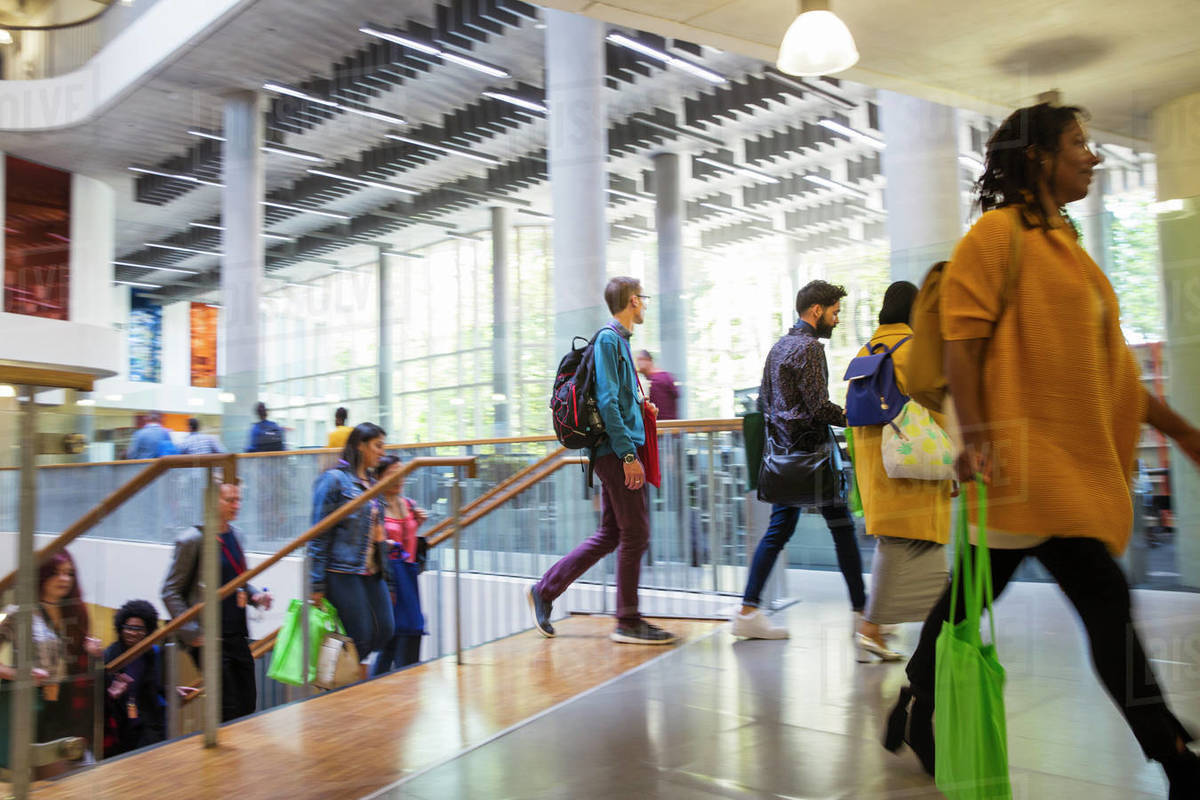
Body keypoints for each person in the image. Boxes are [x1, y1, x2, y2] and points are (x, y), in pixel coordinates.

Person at [884, 103, 1200, 796]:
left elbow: (1108, 368)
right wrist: (977, 444)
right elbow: (963, 349)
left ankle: (915, 696)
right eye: (1079, 144)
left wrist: (1176, 428)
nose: (1092, 156)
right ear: (1039, 159)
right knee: (1098, 602)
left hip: (1064, 470)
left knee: (975, 605)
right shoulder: (996, 238)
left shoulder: (1067, 247)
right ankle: (1175, 758)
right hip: (1018, 470)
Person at [527, 277, 676, 645]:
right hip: (615, 452)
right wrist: (628, 455)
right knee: (636, 533)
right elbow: (608, 402)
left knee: (612, 533)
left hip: (615, 449)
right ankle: (627, 619)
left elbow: (618, 399)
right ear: (631, 301)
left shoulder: (620, 341)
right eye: (642, 298)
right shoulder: (610, 339)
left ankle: (545, 590)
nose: (645, 304)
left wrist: (641, 407)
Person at [731, 279, 867, 639]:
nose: (837, 320)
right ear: (816, 310)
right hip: (812, 457)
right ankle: (862, 614)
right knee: (842, 530)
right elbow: (819, 406)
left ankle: (747, 611)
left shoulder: (778, 348)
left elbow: (764, 402)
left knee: (778, 532)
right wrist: (854, 417)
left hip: (783, 459)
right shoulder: (809, 348)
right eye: (835, 313)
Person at [848, 281, 951, 662]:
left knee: (914, 543)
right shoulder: (915, 351)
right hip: (912, 464)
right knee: (901, 541)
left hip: (878, 466)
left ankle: (936, 628)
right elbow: (940, 408)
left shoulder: (866, 350)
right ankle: (872, 629)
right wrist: (953, 460)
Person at [161, 482, 273, 722]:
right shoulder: (192, 540)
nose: (237, 505)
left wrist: (255, 595)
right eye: (230, 500)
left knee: (247, 703)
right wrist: (192, 633)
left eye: (238, 500)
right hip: (208, 638)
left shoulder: (236, 535)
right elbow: (170, 591)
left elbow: (237, 579)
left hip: (236, 634)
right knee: (228, 706)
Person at [0, 550, 103, 768]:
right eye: (56, 573)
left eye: (69, 573)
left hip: (71, 705)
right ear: (42, 575)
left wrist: (90, 650)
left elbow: (75, 660)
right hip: (34, 705)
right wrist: (17, 673)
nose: (64, 579)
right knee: (50, 773)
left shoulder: (75, 612)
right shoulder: (18, 613)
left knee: (81, 770)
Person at [309, 423, 395, 670]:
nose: (382, 452)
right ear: (360, 445)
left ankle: (340, 675)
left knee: (385, 629)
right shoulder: (334, 480)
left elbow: (378, 531)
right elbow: (318, 532)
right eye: (377, 446)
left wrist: (386, 575)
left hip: (371, 569)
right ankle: (338, 683)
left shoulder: (373, 484)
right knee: (361, 634)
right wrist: (316, 583)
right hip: (342, 570)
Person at [371, 454, 430, 675]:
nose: (398, 479)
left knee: (396, 639)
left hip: (409, 575)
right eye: (391, 474)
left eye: (401, 473)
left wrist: (418, 523)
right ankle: (399, 684)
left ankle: (378, 688)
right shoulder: (374, 507)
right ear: (378, 478)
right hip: (390, 579)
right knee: (403, 632)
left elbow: (410, 536)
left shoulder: (408, 504)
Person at [102, 600, 166, 756]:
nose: (132, 633)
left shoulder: (154, 654)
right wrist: (112, 693)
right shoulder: (111, 656)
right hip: (120, 725)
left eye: (139, 629)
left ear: (148, 631)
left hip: (147, 724)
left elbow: (158, 687)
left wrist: (174, 690)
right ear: (120, 628)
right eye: (128, 628)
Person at [635, 350, 679, 421]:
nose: (638, 363)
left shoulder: (657, 381)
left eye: (640, 359)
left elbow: (659, 412)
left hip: (665, 427)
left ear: (648, 360)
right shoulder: (663, 377)